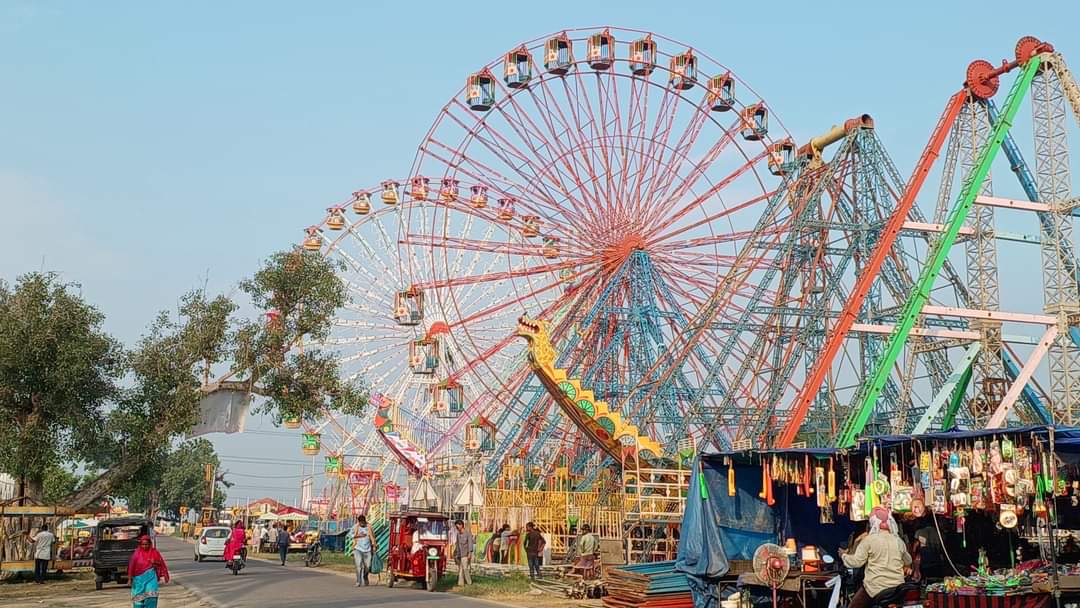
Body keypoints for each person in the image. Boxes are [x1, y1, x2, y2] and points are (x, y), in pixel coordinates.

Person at [841, 507, 911, 608]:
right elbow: (908, 560)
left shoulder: (869, 540)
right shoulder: (898, 541)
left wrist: (843, 556)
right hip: (897, 588)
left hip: (874, 588)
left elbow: (856, 562)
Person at [128, 535, 169, 608]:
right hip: (138, 580)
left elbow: (161, 563)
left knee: (151, 596)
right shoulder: (136, 554)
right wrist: (129, 579)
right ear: (140, 544)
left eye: (146, 544)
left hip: (151, 578)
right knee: (139, 598)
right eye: (143, 544)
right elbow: (131, 566)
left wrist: (155, 562)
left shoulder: (154, 552)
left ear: (150, 544)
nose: (144, 546)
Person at [451, 520, 475, 587]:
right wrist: (456, 554)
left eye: (457, 526)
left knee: (465, 568)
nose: (457, 528)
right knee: (460, 569)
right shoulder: (458, 534)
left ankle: (469, 582)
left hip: (466, 554)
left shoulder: (468, 533)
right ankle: (461, 583)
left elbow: (470, 543)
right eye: (456, 527)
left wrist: (469, 553)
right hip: (460, 554)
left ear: (461, 525)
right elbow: (458, 545)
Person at [352, 515, 373, 587]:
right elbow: (351, 535)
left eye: (363, 522)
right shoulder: (355, 527)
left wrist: (374, 544)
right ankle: (358, 581)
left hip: (368, 549)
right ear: (359, 522)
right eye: (361, 523)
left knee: (368, 566)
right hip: (358, 549)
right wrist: (359, 535)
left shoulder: (369, 526)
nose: (362, 524)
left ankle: (365, 577)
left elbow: (372, 536)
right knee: (358, 566)